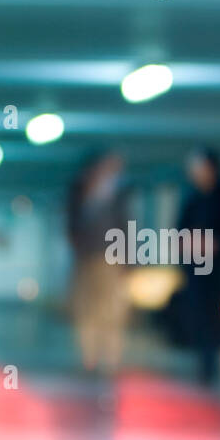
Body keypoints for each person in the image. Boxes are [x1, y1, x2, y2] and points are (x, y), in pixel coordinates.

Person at [177, 148, 220, 386]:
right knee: (195, 313)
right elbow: (180, 228)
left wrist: (212, 243)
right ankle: (202, 358)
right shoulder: (191, 197)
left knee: (213, 313)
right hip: (193, 267)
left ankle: (211, 361)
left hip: (215, 270)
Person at [66, 152, 131, 373]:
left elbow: (125, 228)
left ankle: (111, 359)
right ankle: (90, 358)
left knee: (111, 311)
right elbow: (72, 225)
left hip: (111, 260)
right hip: (87, 259)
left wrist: (128, 262)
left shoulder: (118, 196)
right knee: (87, 310)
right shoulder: (79, 193)